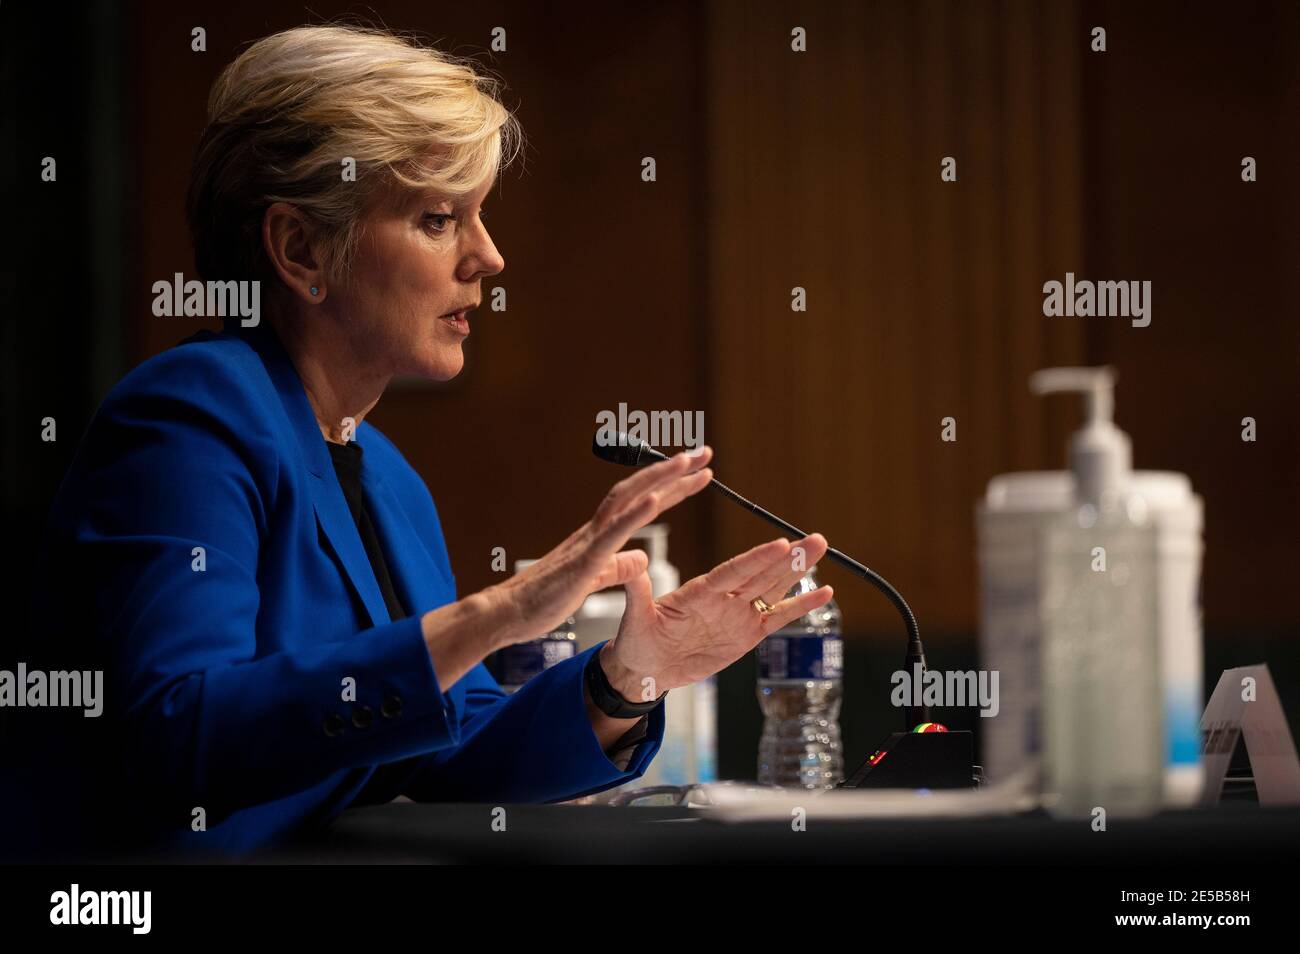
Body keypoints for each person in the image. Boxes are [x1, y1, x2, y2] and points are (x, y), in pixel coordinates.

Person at [25, 24, 832, 857]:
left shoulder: (389, 478)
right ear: (301, 248)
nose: (490, 257)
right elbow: (179, 736)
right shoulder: (190, 415)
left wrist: (630, 676)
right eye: (439, 218)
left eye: (477, 217)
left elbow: (453, 752)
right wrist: (497, 615)